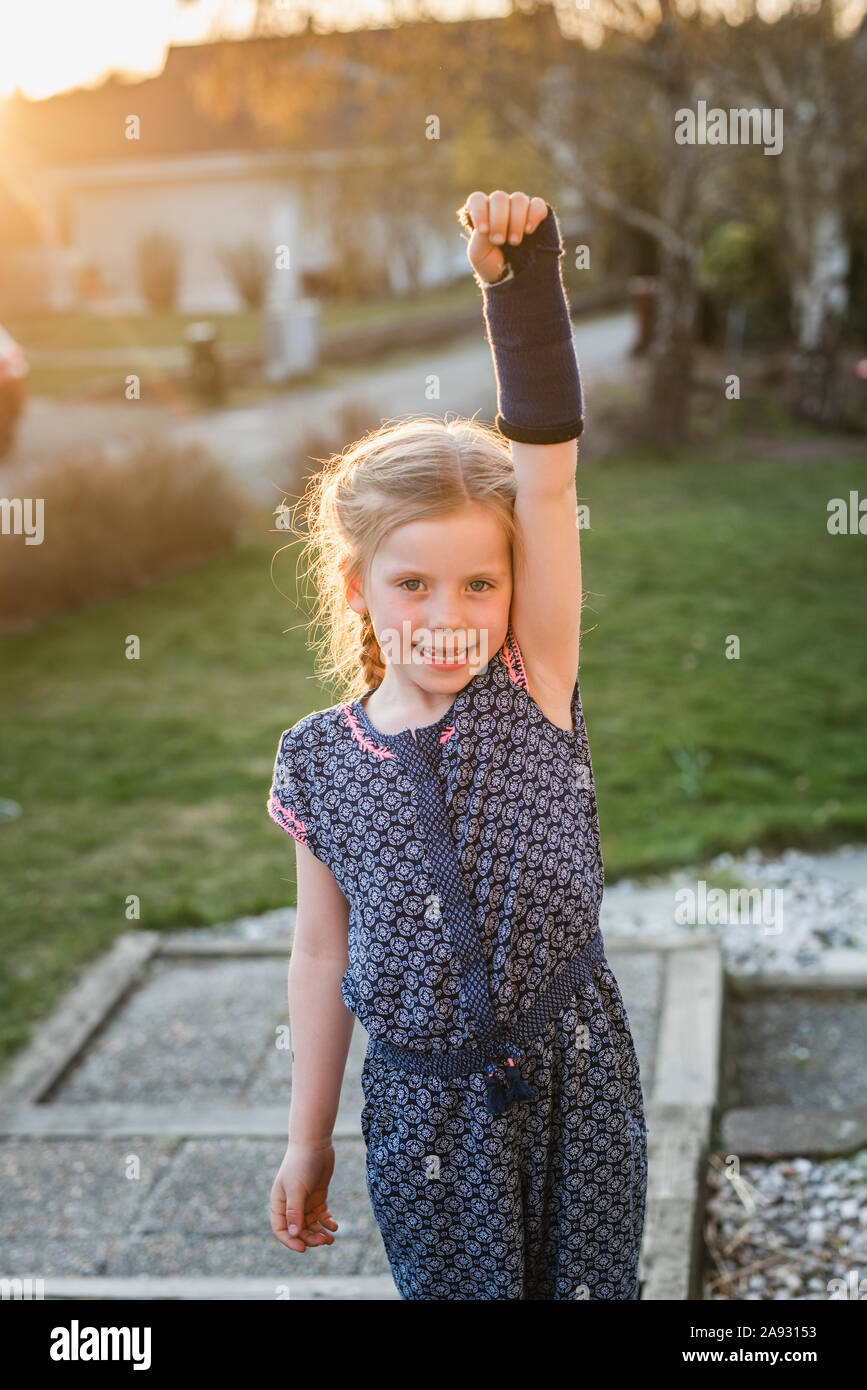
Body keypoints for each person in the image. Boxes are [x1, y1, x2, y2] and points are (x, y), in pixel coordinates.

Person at [267, 190, 648, 1300]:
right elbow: (321, 955)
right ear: (357, 587)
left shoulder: (533, 681)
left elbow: (549, 476)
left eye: (481, 582)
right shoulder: (318, 763)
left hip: (575, 1080)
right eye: (414, 583)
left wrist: (518, 287)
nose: (450, 612)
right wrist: (307, 1138)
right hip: (423, 1113)